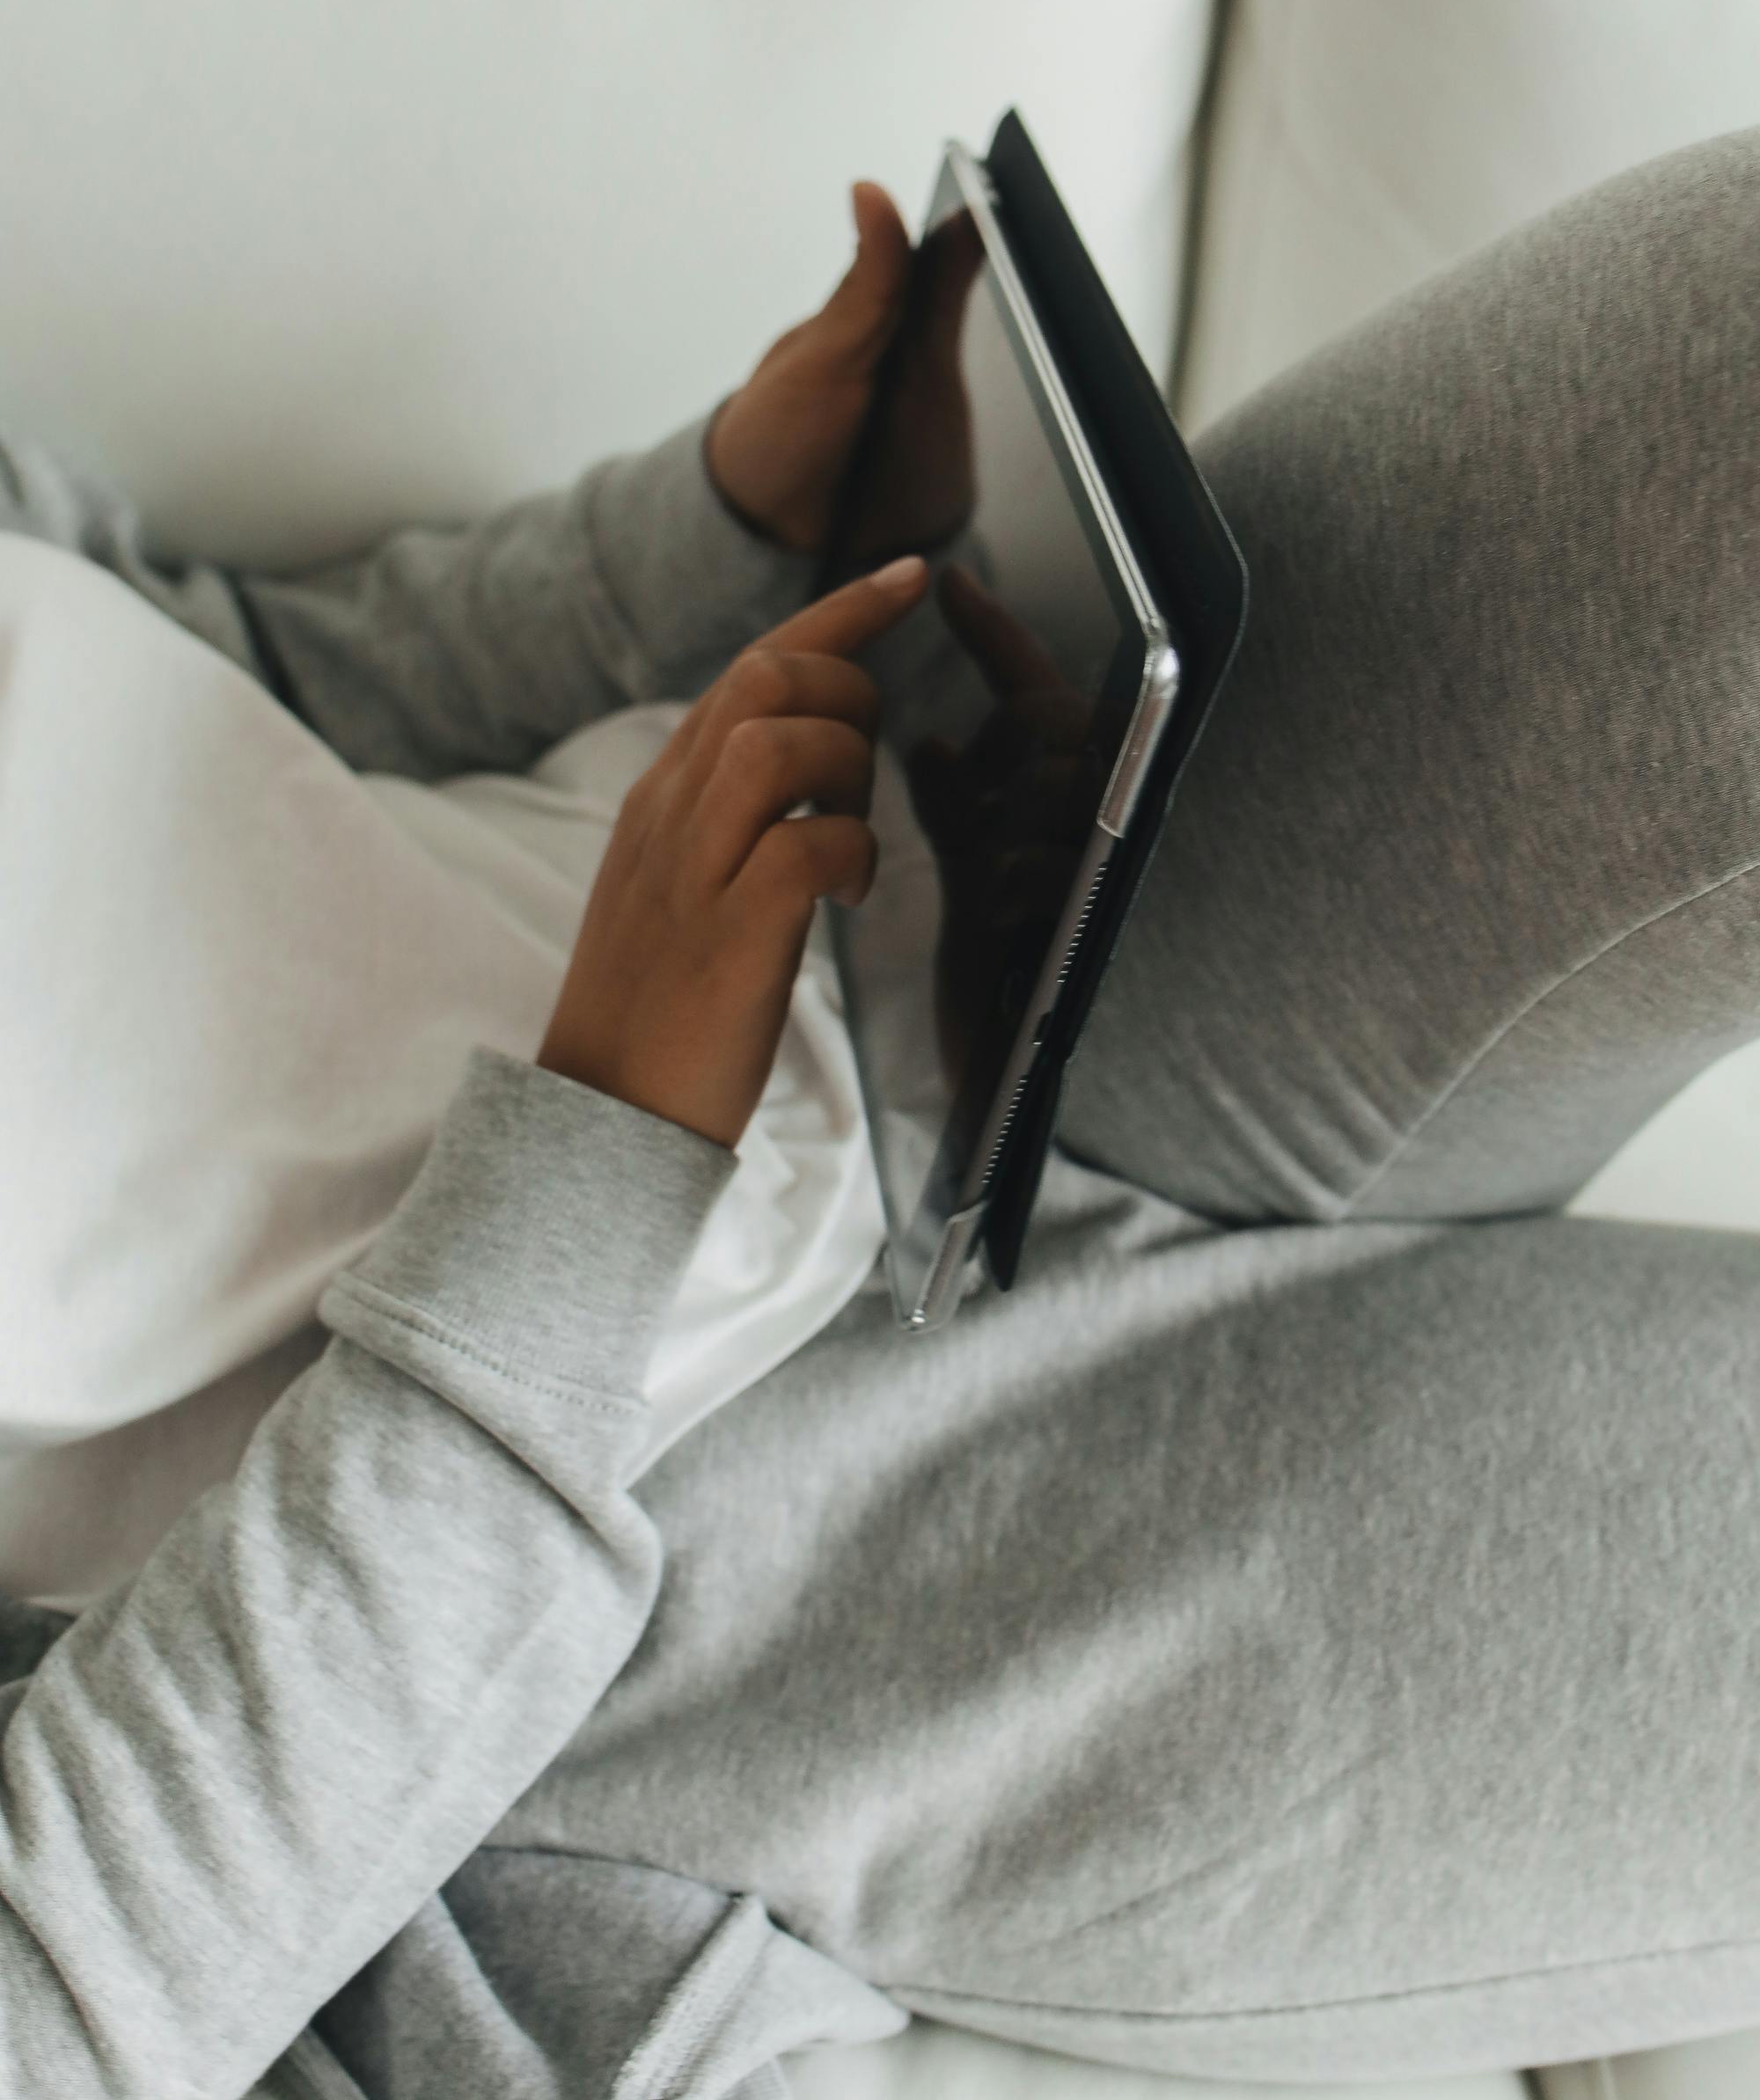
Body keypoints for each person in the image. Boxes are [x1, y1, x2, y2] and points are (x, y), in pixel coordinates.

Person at [4, 128, 1760, 2097]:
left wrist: (718, 520)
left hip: (905, 871)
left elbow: (224, 666)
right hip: (752, 1600)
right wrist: (601, 1139)